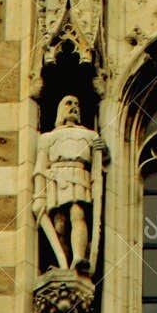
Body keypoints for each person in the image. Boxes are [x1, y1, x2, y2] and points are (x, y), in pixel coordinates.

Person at [32, 95, 104, 275]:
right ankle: (62, 264)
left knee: (77, 213)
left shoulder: (90, 135)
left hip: (79, 175)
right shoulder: (48, 138)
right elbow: (40, 167)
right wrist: (39, 195)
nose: (74, 107)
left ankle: (78, 257)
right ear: (60, 110)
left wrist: (104, 151)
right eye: (69, 103)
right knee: (59, 224)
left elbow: (101, 163)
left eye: (77, 104)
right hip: (56, 179)